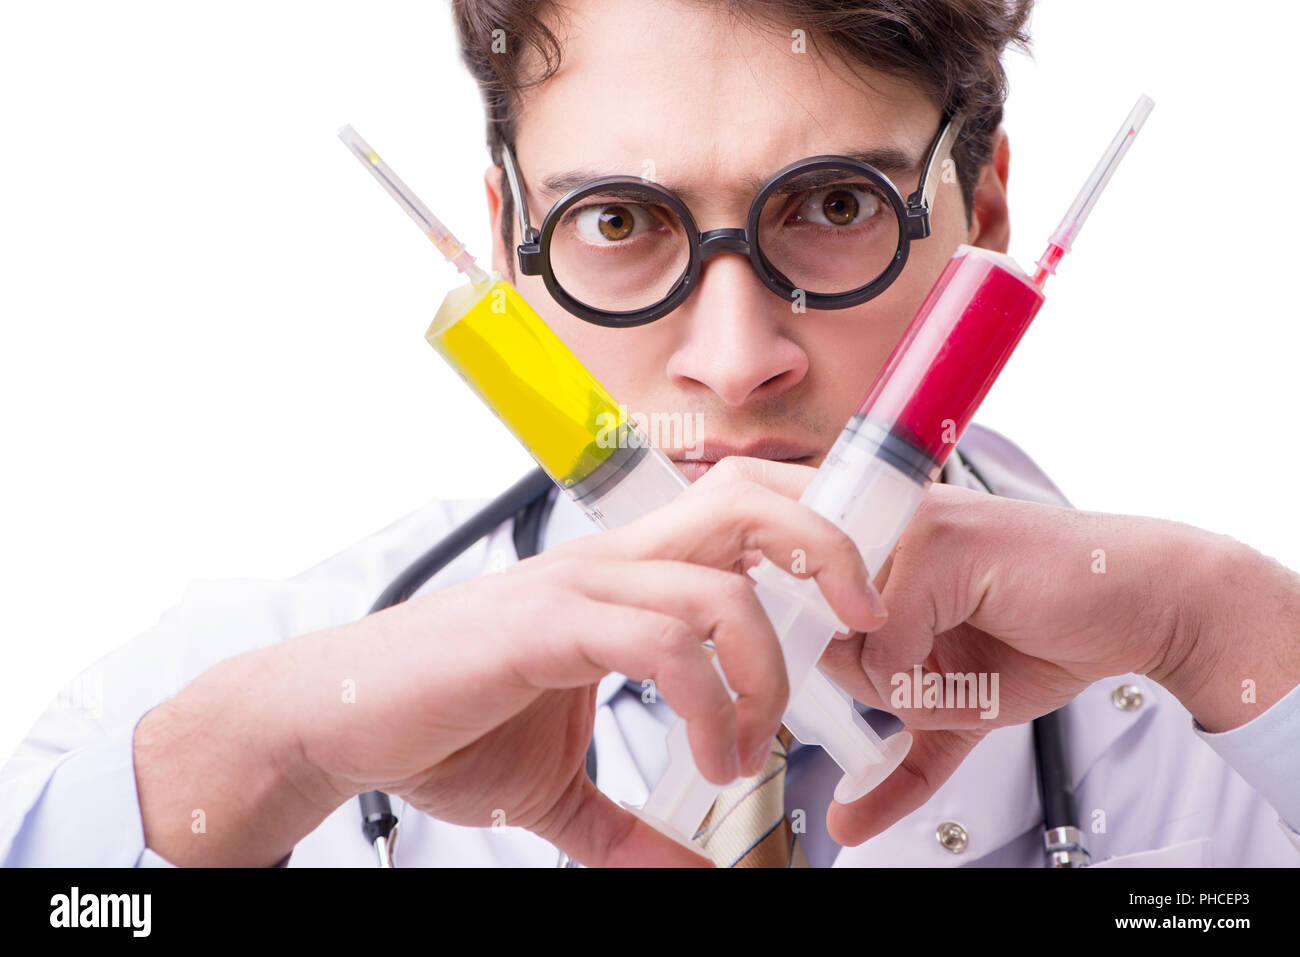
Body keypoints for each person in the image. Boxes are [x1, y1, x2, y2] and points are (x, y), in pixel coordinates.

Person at [3, 0, 1298, 869]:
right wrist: (266, 754)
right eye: (621, 223)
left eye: (838, 202)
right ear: (509, 244)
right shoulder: (252, 684)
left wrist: (1235, 632)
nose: (735, 361)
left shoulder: (1227, 703)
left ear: (989, 208)